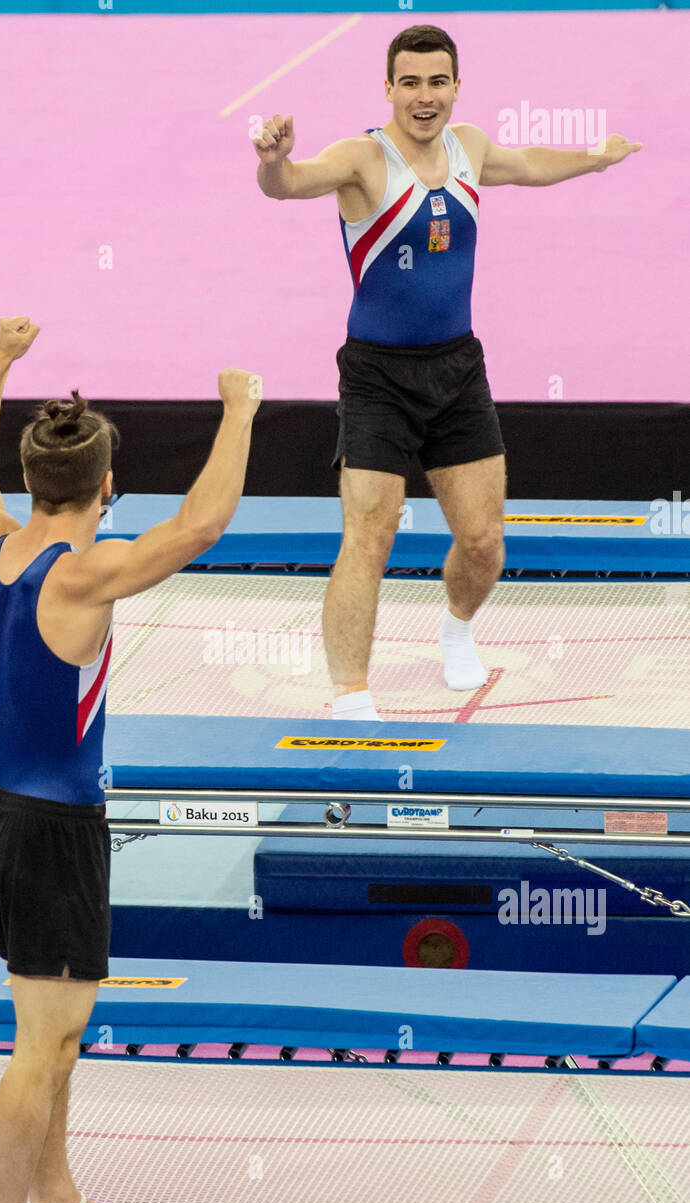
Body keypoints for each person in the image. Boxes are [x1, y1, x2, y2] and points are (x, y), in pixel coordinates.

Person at [0, 315, 261, 1203]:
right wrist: (241, 410)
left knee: (60, 1029)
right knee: (41, 1046)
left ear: (31, 481)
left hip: (6, 816)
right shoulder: (82, 580)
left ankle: (50, 1195)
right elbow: (201, 526)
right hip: (52, 831)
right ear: (107, 489)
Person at [254, 24, 640, 720]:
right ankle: (350, 696)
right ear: (389, 89)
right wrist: (274, 161)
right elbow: (287, 186)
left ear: (456, 87)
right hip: (376, 378)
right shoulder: (362, 158)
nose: (424, 98)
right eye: (410, 83)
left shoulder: (471, 146)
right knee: (369, 533)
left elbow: (528, 164)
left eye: (437, 83)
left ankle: (456, 629)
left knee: (485, 542)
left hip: (459, 371)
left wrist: (596, 159)